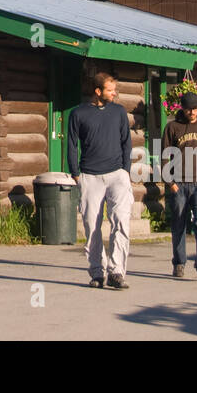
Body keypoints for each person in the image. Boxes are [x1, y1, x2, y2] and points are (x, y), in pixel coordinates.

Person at [67, 72, 133, 289]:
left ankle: (117, 272)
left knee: (121, 222)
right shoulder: (78, 114)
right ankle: (97, 272)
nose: (114, 93)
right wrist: (76, 173)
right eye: (110, 90)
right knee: (91, 226)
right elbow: (72, 144)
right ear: (98, 91)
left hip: (117, 175)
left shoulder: (119, 112)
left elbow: (126, 142)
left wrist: (125, 171)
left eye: (114, 89)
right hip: (90, 177)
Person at [162, 91, 197, 281]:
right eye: (188, 109)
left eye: (194, 109)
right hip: (179, 183)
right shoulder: (172, 127)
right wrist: (170, 183)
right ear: (181, 109)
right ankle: (179, 263)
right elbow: (164, 156)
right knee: (178, 225)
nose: (192, 112)